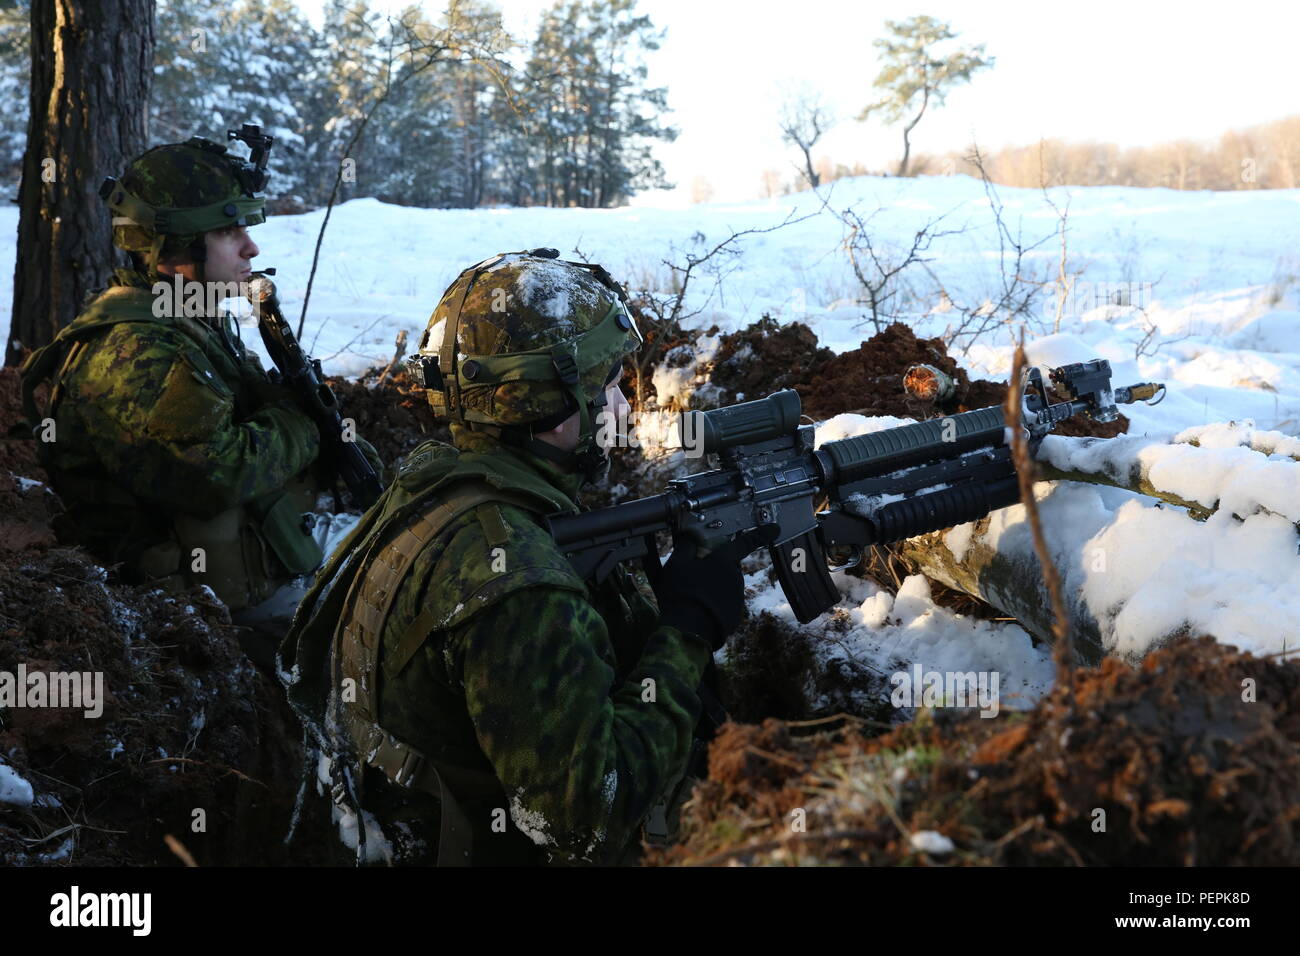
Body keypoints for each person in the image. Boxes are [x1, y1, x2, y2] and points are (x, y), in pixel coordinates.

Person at [281, 249, 769, 865]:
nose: (623, 407)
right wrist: (687, 630)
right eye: (608, 385)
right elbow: (585, 820)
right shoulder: (517, 578)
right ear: (536, 401)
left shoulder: (433, 491)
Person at [19, 135, 378, 662]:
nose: (251, 249)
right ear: (177, 248)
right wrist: (303, 425)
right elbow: (218, 473)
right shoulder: (139, 350)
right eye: (229, 232)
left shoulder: (188, 319)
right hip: (195, 610)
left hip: (260, 563)